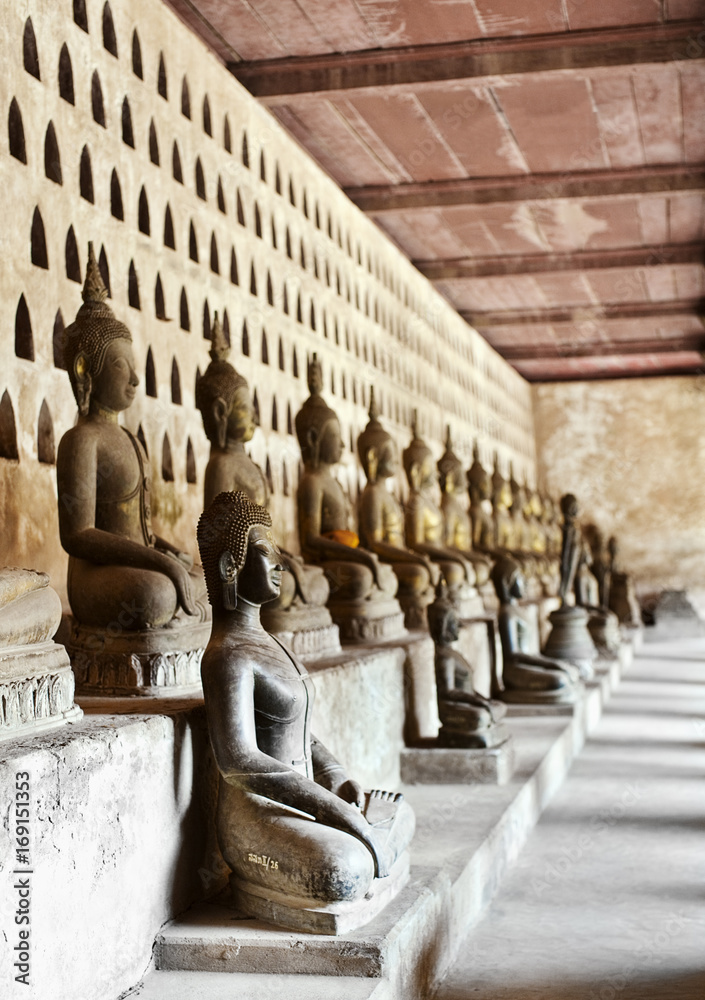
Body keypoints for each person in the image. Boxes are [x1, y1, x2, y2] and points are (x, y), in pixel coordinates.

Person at [196, 491, 415, 919]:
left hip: (308, 799)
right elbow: (239, 761)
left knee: (402, 812)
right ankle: (366, 850)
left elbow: (298, 730)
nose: (280, 564)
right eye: (265, 553)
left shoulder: (270, 642)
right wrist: (332, 809)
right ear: (230, 567)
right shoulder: (227, 655)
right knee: (342, 869)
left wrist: (337, 778)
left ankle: (370, 845)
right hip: (258, 819)